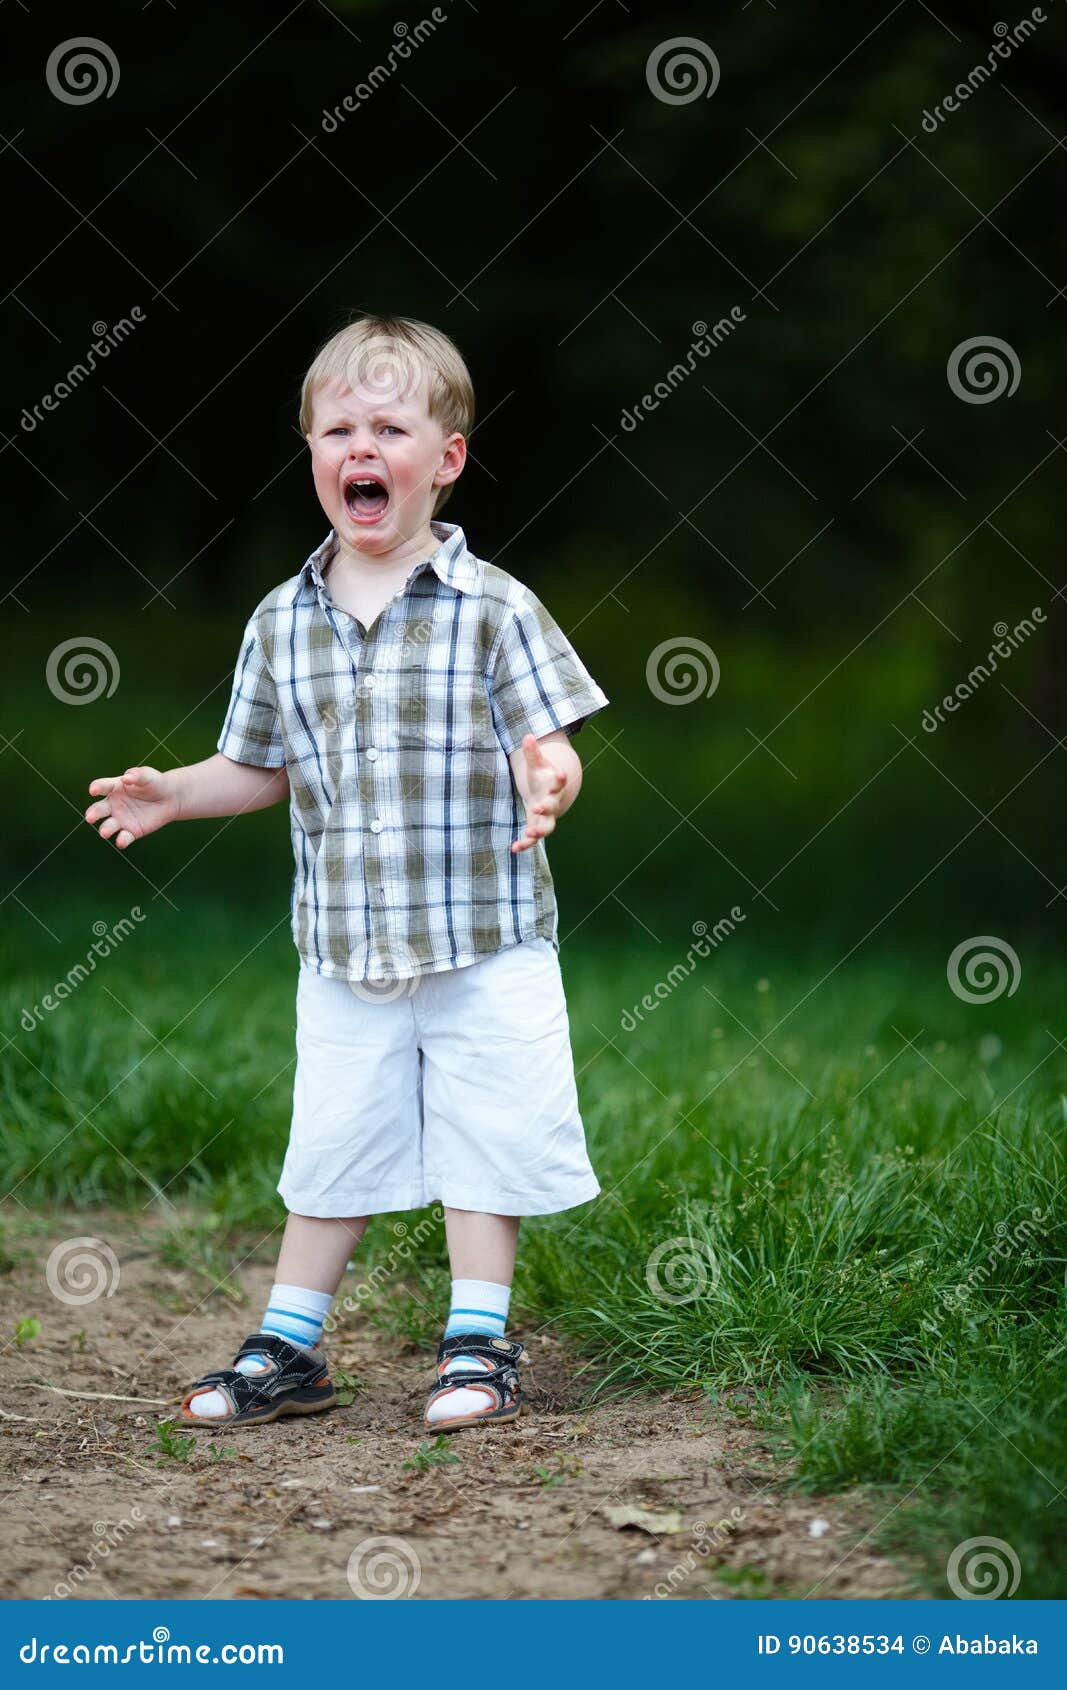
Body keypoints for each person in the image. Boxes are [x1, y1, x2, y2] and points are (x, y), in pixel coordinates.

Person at [83, 314, 610, 1434]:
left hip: (484, 937)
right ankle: (289, 1349)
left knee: (487, 1138)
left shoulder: (495, 607)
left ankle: (477, 1341)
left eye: (389, 429)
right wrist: (174, 792)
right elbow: (256, 766)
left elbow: (550, 741)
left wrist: (551, 779)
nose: (359, 448)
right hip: (344, 950)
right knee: (331, 1146)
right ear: (313, 454)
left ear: (446, 458)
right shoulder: (282, 621)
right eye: (337, 430)